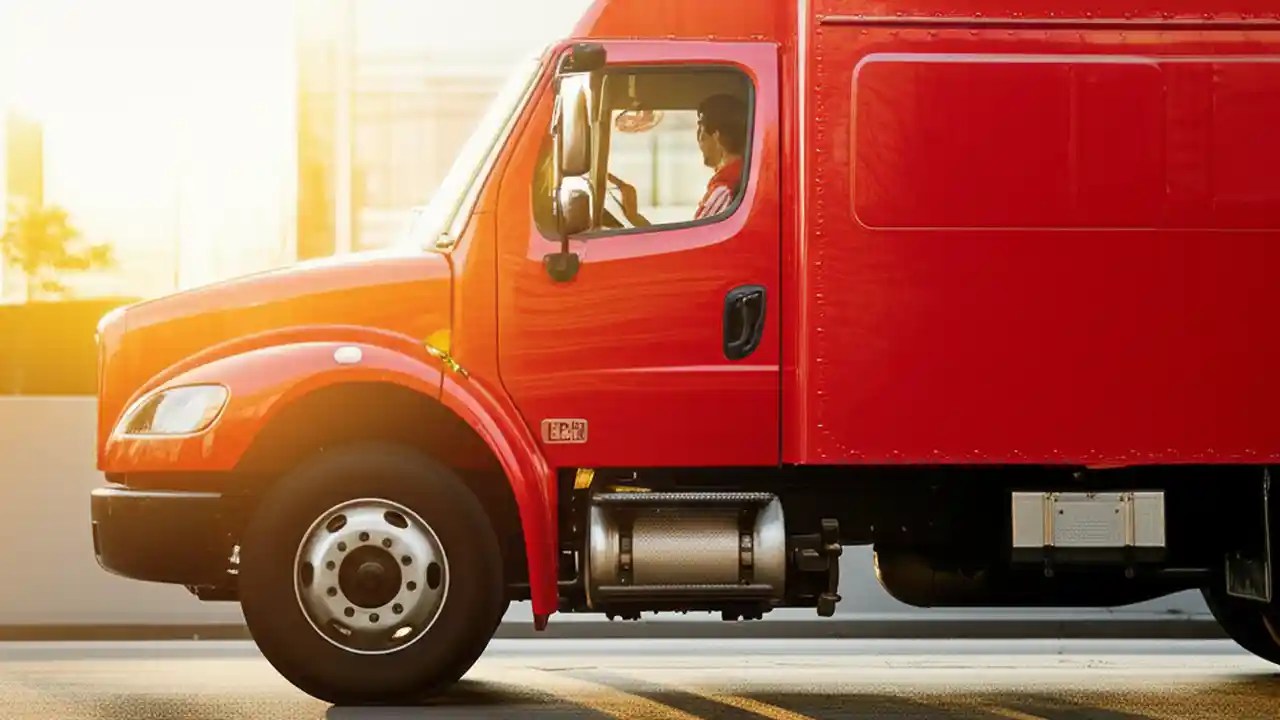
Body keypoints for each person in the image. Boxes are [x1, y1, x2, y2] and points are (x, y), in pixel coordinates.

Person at [609, 93, 748, 227]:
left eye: (701, 130)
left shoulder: (724, 191)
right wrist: (635, 218)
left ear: (715, 136)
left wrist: (635, 218)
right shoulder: (739, 182)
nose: (699, 140)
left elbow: (694, 247)